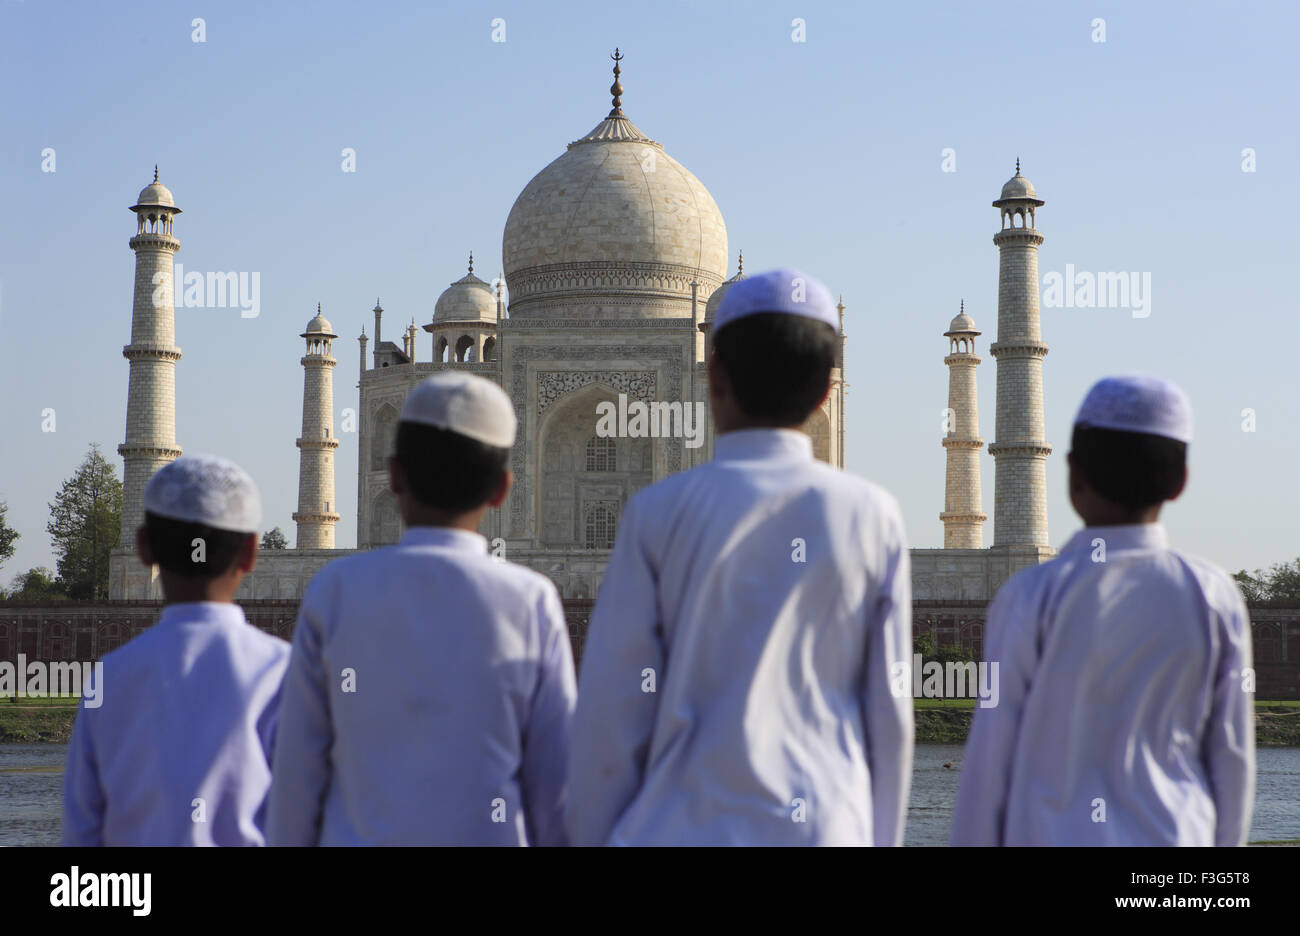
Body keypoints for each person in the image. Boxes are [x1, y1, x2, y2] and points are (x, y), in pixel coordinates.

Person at [567, 268, 914, 846]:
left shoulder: (657, 513)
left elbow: (610, 717)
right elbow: (890, 718)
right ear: (828, 390)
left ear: (713, 374)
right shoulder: (872, 515)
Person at [267, 372, 576, 845]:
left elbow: (295, 784)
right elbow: (555, 793)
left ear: (393, 476)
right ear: (502, 488)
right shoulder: (530, 602)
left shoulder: (336, 591)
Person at [951, 374, 1255, 846]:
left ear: (1072, 474)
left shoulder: (1031, 595)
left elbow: (989, 764)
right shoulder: (1212, 596)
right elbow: (1231, 759)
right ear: (1180, 482)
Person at [63, 455, 288, 846]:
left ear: (144, 548)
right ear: (251, 553)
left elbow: (83, 833)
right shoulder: (282, 672)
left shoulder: (110, 677)